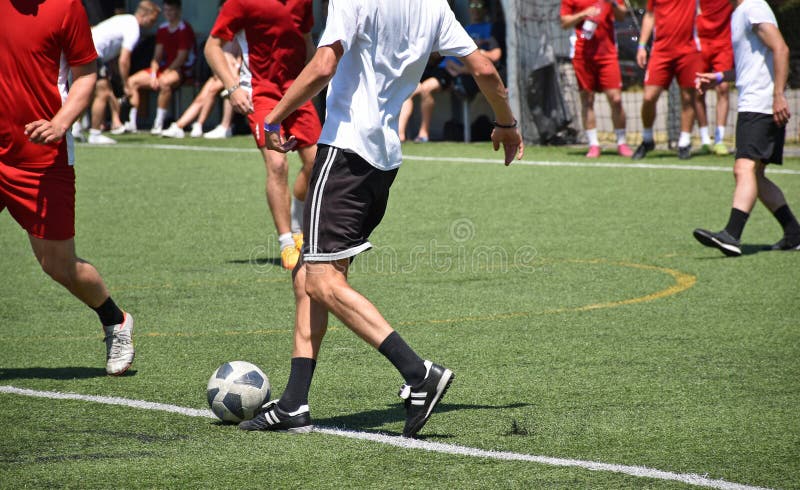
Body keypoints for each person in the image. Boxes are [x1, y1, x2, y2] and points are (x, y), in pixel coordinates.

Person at [237, 0, 524, 438]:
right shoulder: (435, 8)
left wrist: (273, 115)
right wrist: (505, 123)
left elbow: (323, 65)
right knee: (310, 276)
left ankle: (419, 374)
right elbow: (484, 69)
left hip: (345, 152)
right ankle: (294, 404)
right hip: (383, 161)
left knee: (321, 281)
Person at [0, 0, 135, 376]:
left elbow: (86, 73)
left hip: (43, 157)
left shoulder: (66, 7)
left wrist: (60, 123)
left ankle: (115, 320)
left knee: (58, 265)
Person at [204, 0, 321, 270]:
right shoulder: (241, 2)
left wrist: (314, 83)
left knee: (317, 162)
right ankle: (286, 244)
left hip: (296, 90)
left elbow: (306, 43)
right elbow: (212, 47)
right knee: (277, 164)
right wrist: (233, 88)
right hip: (261, 92)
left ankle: (297, 224)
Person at [693, 0, 799, 255]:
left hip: (761, 104)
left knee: (744, 168)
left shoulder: (753, 7)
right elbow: (750, 65)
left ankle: (732, 234)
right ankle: (794, 233)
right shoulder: (740, 12)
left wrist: (778, 95)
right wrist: (718, 77)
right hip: (754, 103)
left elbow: (781, 49)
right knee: (756, 176)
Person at [398, 0, 502, 143]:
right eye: (472, 6)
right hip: (444, 68)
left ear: (485, 10)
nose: (475, 9)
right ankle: (400, 135)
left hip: (457, 73)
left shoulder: (490, 29)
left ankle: (423, 133)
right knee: (406, 92)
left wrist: (477, 55)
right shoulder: (465, 28)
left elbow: (495, 56)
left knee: (426, 89)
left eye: (479, 6)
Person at [78, 1, 162, 145]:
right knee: (102, 92)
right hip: (92, 53)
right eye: (153, 20)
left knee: (86, 92)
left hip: (84, 49)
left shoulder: (124, 20)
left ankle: (76, 128)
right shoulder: (133, 28)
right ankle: (95, 133)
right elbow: (124, 59)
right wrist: (125, 84)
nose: (153, 24)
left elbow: (114, 56)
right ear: (144, 15)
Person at [560, 0, 633, 158]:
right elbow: (564, 22)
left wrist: (613, 4)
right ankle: (593, 144)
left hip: (607, 54)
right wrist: (583, 14)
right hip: (582, 54)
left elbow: (621, 16)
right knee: (587, 98)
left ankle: (621, 142)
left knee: (616, 99)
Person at [632, 0, 703, 160]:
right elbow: (649, 15)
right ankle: (648, 138)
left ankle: (684, 143)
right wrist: (641, 45)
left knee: (688, 98)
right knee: (649, 97)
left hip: (688, 49)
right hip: (661, 50)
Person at [125, 0, 196, 135]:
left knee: (164, 82)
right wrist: (153, 75)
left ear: (178, 11)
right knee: (132, 81)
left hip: (181, 70)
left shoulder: (184, 29)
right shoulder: (162, 29)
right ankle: (131, 123)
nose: (168, 13)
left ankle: (158, 123)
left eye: (171, 10)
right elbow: (157, 56)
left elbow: (181, 58)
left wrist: (166, 73)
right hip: (164, 69)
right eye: (166, 10)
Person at [161, 40, 241, 139]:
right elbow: (214, 56)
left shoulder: (240, 36)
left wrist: (234, 73)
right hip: (219, 75)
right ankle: (179, 126)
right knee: (201, 98)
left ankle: (206, 125)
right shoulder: (221, 36)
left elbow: (240, 60)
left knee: (214, 89)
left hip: (233, 76)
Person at [694, 0, 734, 156]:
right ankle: (705, 140)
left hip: (723, 42)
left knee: (723, 88)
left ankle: (720, 140)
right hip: (701, 42)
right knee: (698, 89)